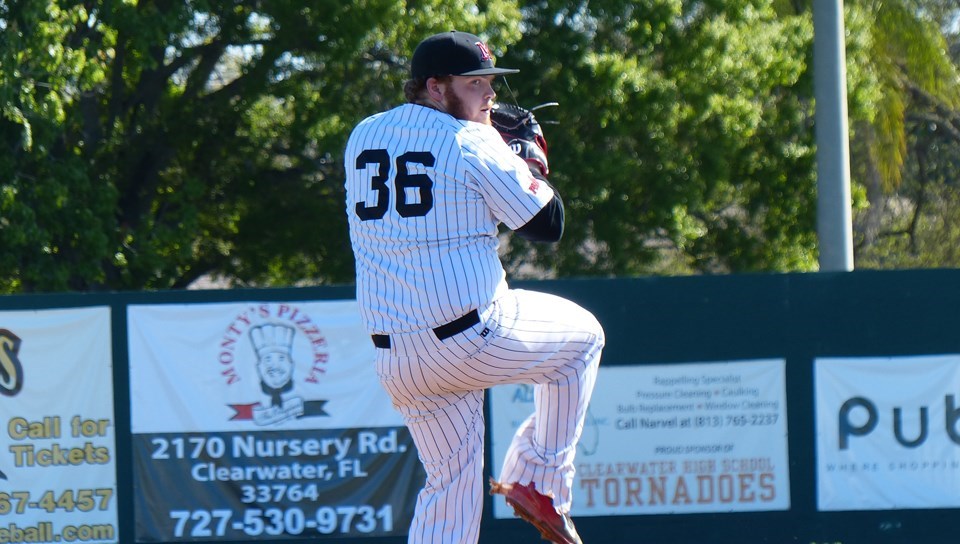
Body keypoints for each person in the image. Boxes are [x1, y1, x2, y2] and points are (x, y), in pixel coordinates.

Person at [343, 30, 604, 544]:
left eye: (490, 82)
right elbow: (547, 224)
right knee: (582, 341)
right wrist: (526, 157)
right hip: (472, 334)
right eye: (476, 83)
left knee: (448, 493)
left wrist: (497, 146)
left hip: (398, 357)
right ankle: (541, 482)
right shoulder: (471, 140)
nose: (491, 95)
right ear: (436, 87)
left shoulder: (363, 135)